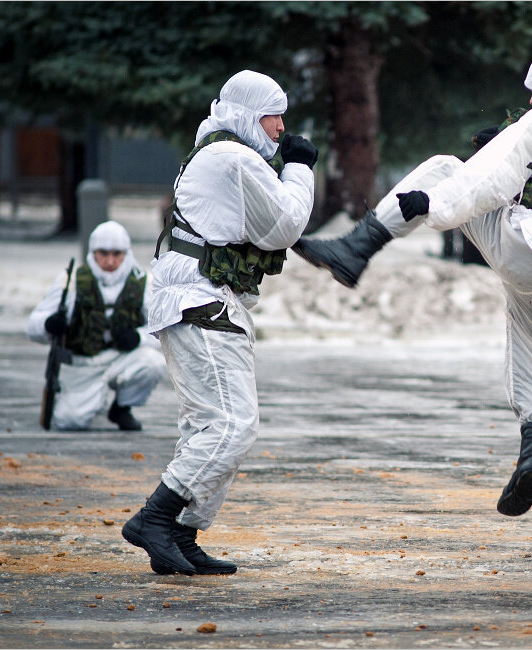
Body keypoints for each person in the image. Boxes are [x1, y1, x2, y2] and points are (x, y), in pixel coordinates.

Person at [292, 44, 532, 517]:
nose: (530, 102)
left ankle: (355, 248)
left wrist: (434, 205)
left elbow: (493, 180)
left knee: (445, 167)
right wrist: (505, 144)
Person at [121, 70, 318, 576]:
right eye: (275, 116)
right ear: (252, 115)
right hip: (199, 302)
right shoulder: (231, 157)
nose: (280, 128)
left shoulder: (222, 153)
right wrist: (300, 167)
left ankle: (180, 534)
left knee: (207, 425)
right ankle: (155, 519)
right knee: (232, 424)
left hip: (201, 300)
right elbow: (284, 226)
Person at [26, 221, 165, 432]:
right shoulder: (72, 281)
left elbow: (162, 329)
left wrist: (138, 337)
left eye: (117, 254)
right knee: (70, 422)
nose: (110, 261)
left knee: (153, 362)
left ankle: (122, 407)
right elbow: (32, 326)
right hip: (83, 363)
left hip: (121, 358)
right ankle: (88, 399)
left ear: (126, 253)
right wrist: (49, 324)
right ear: (93, 252)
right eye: (103, 253)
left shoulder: (142, 282)